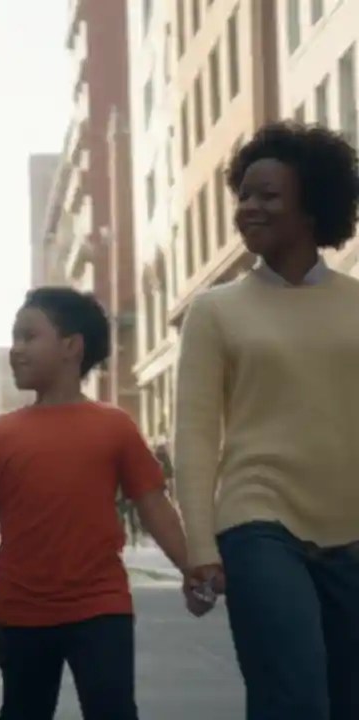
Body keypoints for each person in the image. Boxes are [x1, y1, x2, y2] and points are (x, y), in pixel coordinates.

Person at [174, 121, 359, 720]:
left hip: (352, 525)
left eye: (268, 196)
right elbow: (196, 436)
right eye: (244, 195)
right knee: (294, 697)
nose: (249, 208)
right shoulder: (215, 310)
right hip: (259, 522)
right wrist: (199, 546)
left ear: (312, 207)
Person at [0, 287, 194, 720]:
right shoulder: (2, 433)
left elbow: (153, 505)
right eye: (14, 338)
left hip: (100, 606)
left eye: (28, 337)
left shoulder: (114, 426)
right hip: (19, 610)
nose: (16, 350)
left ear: (71, 347)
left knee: (113, 711)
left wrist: (194, 567)